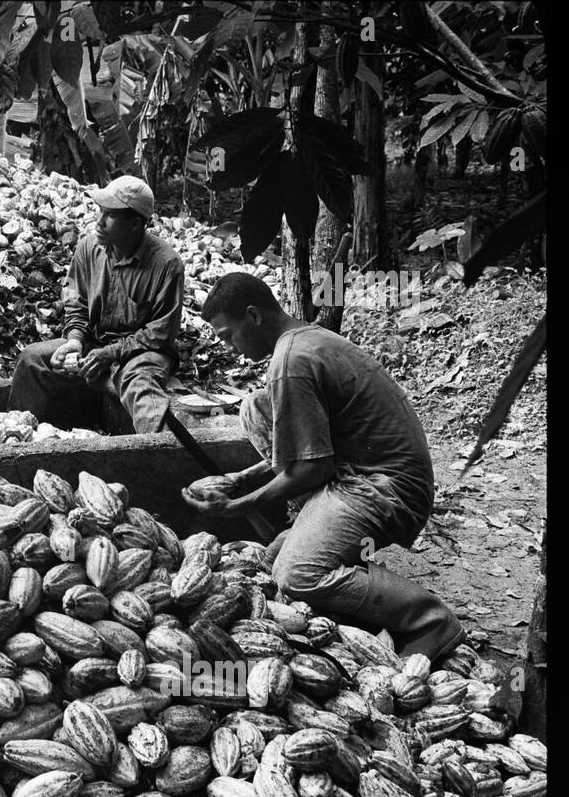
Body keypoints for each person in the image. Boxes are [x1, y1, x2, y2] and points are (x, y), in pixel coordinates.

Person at [182, 271, 465, 662]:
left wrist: (236, 506)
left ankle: (431, 621)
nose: (230, 347)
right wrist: (241, 478)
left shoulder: (290, 361)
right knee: (256, 406)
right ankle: (328, 543)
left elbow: (312, 469)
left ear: (254, 315)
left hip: (386, 488)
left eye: (229, 335)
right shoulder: (305, 339)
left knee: (295, 575)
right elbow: (311, 445)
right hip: (360, 472)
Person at [7, 175, 183, 433]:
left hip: (141, 350)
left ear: (135, 223)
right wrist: (75, 340)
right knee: (32, 359)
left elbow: (161, 333)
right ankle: (15, 439)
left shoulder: (167, 264)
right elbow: (76, 303)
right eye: (100, 212)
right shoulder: (89, 247)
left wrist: (112, 353)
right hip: (95, 341)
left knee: (140, 384)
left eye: (110, 216)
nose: (98, 222)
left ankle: (158, 455)